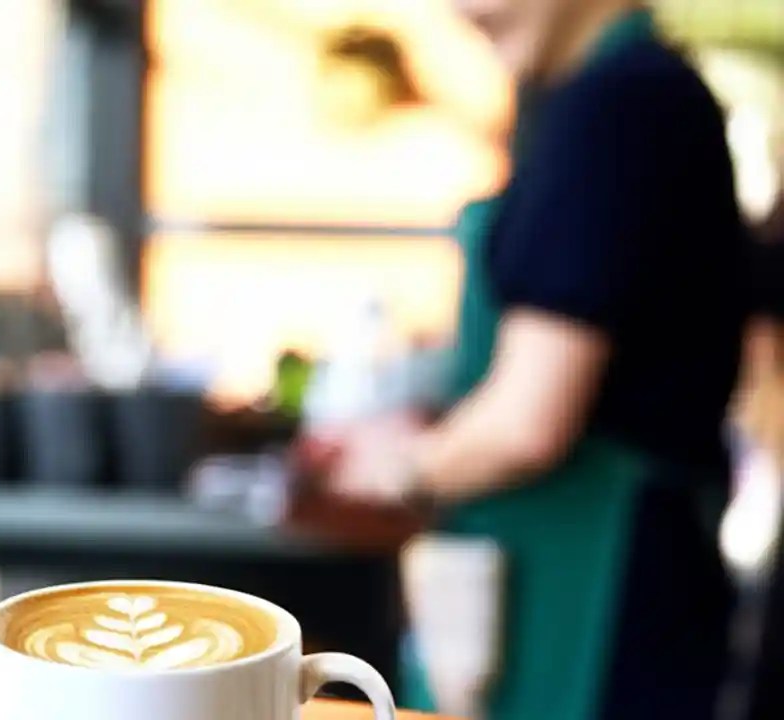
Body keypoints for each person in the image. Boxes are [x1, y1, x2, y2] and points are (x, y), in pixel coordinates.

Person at [294, 2, 749, 718]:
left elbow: (527, 423)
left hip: (599, 590)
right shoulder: (599, 97)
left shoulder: (618, 105)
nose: (466, 7)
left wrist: (397, 466)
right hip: (589, 571)